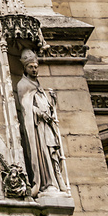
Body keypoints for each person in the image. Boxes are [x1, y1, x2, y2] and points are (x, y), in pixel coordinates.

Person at [16, 49, 67, 197]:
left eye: (35, 67)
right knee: (43, 153)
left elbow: (45, 105)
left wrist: (52, 102)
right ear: (25, 68)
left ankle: (55, 182)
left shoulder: (38, 85)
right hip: (37, 128)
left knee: (52, 152)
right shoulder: (23, 85)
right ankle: (47, 183)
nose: (34, 69)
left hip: (46, 126)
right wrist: (40, 113)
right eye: (30, 67)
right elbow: (25, 107)